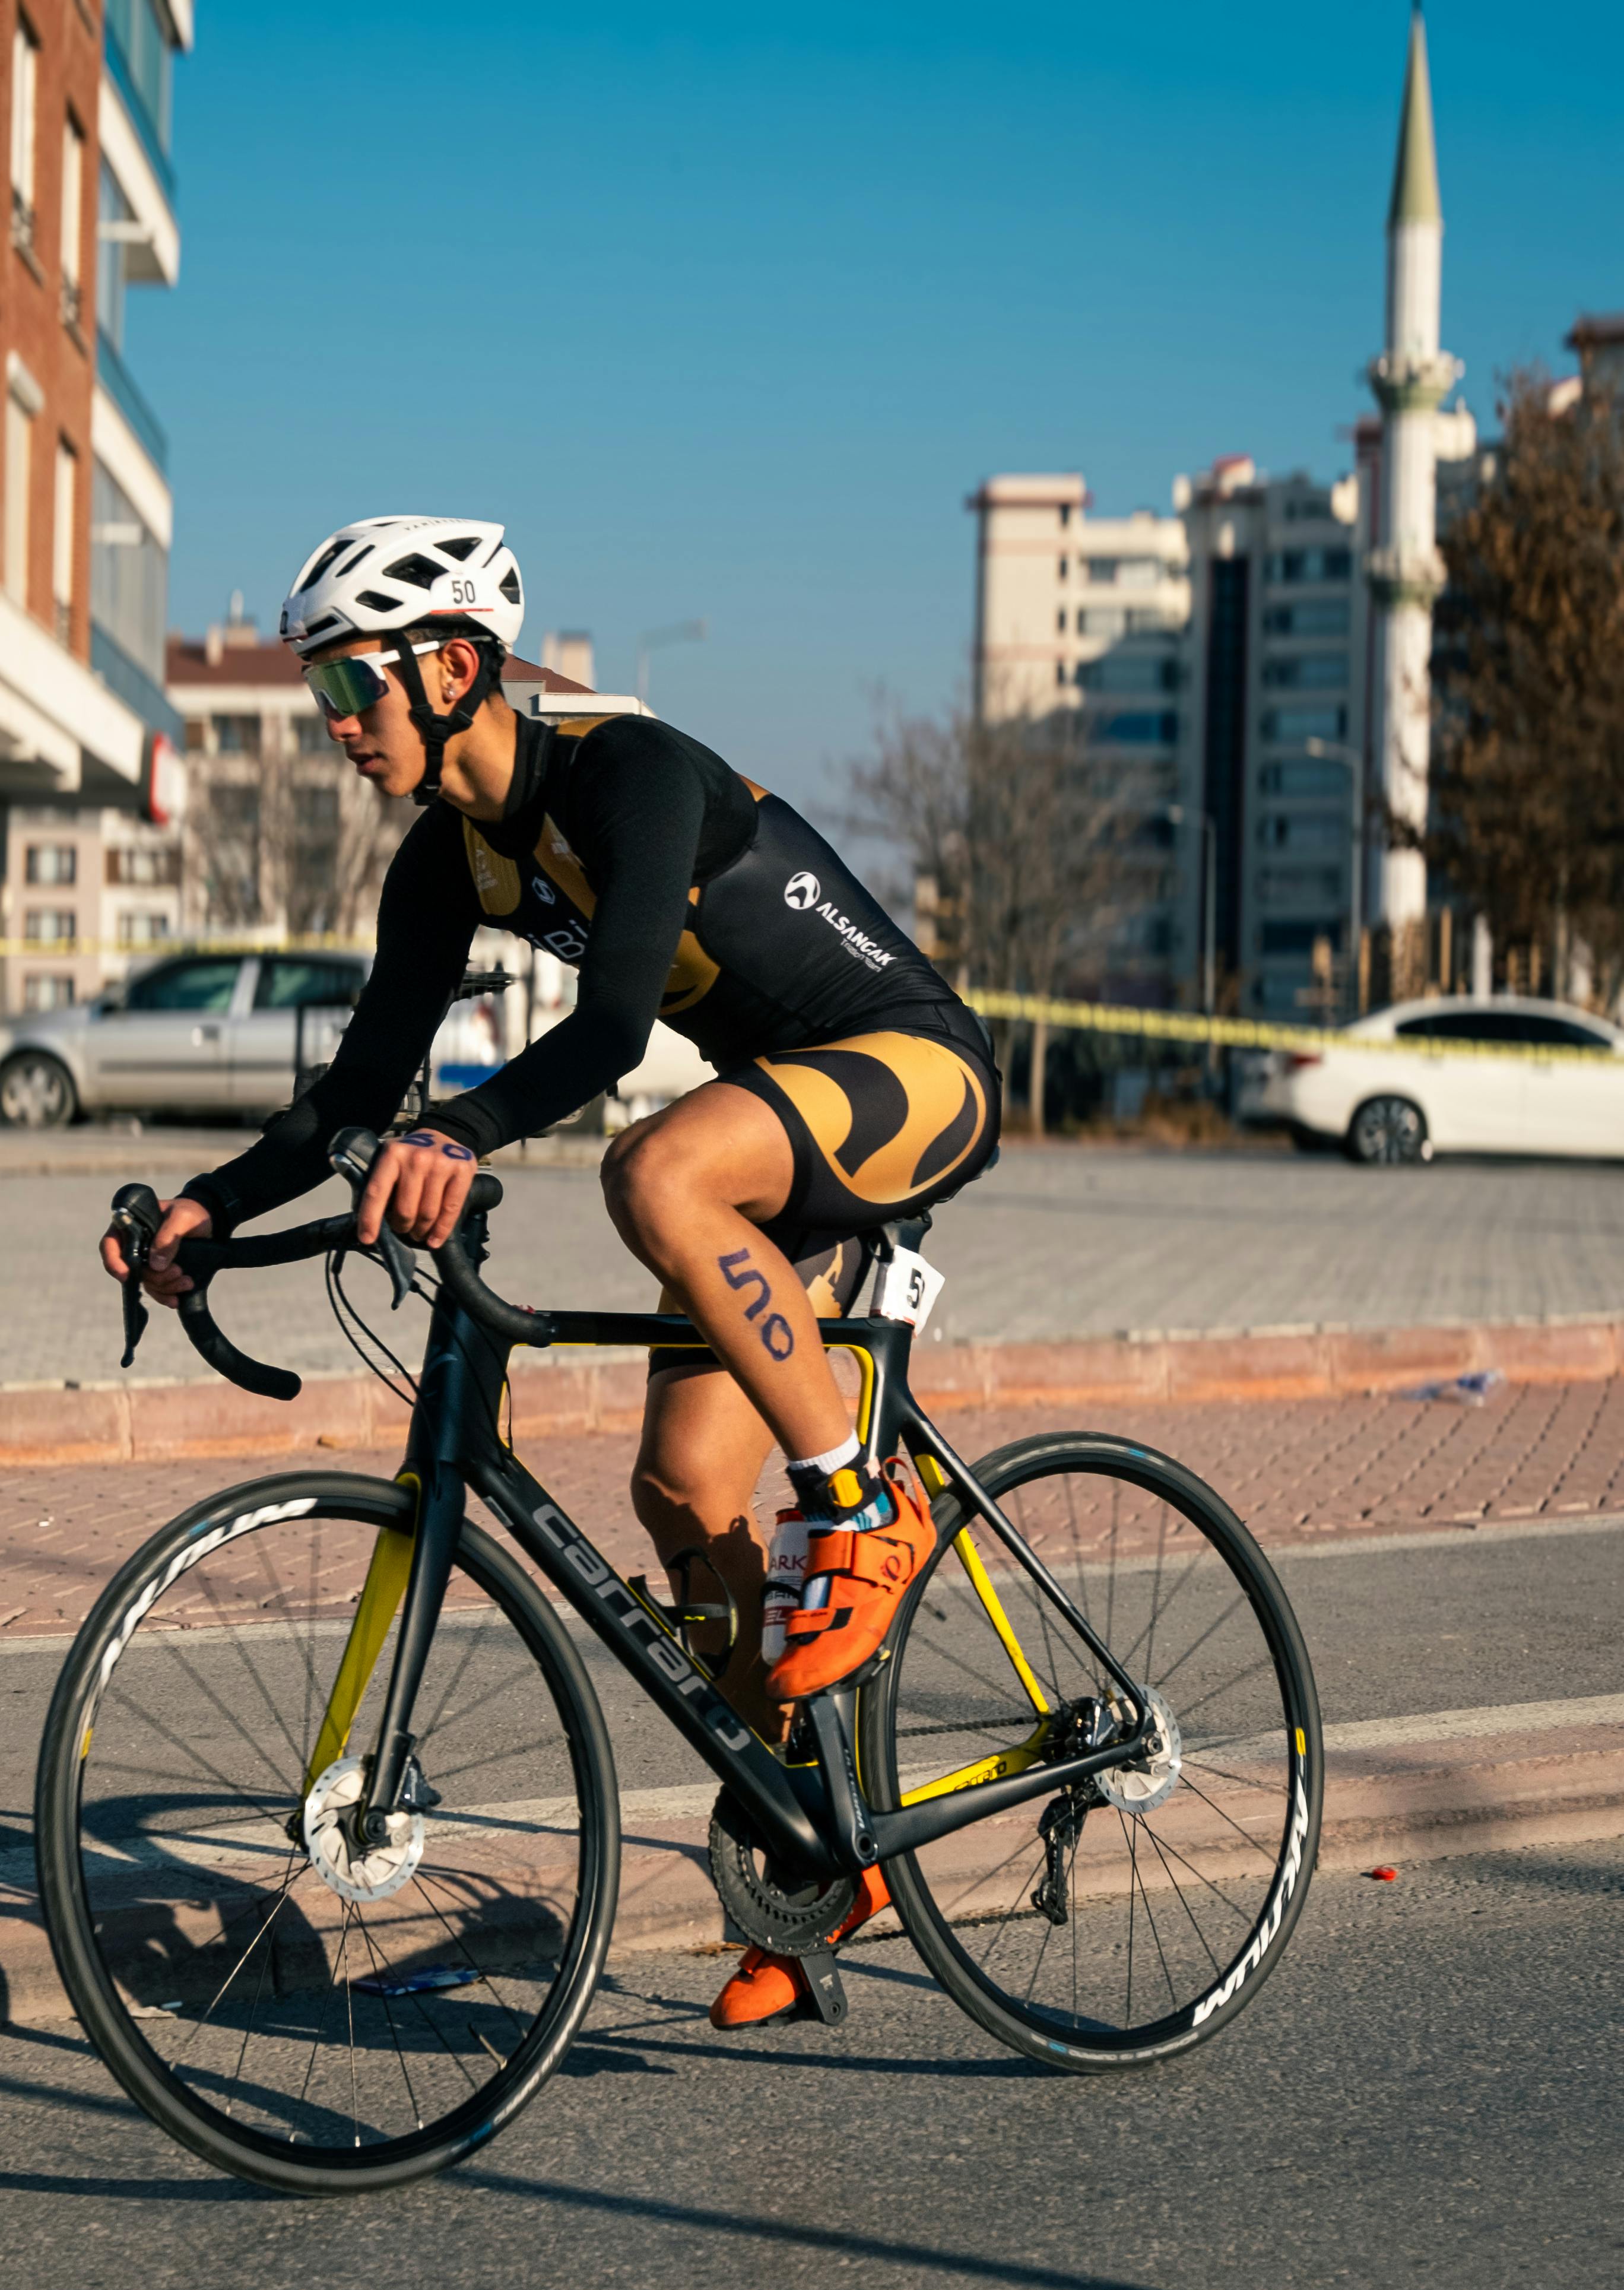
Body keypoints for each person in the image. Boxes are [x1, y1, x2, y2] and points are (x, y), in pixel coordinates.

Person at [101, 517, 1000, 2028]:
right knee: (679, 1496)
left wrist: (463, 1128)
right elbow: (351, 1088)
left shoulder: (624, 770)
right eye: (320, 691)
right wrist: (209, 1203)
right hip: (771, 1139)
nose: (334, 724)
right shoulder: (443, 863)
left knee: (649, 1169)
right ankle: (813, 1841)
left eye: (352, 689)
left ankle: (864, 1498)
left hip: (908, 1066)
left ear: (453, 667)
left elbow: (611, 1029)